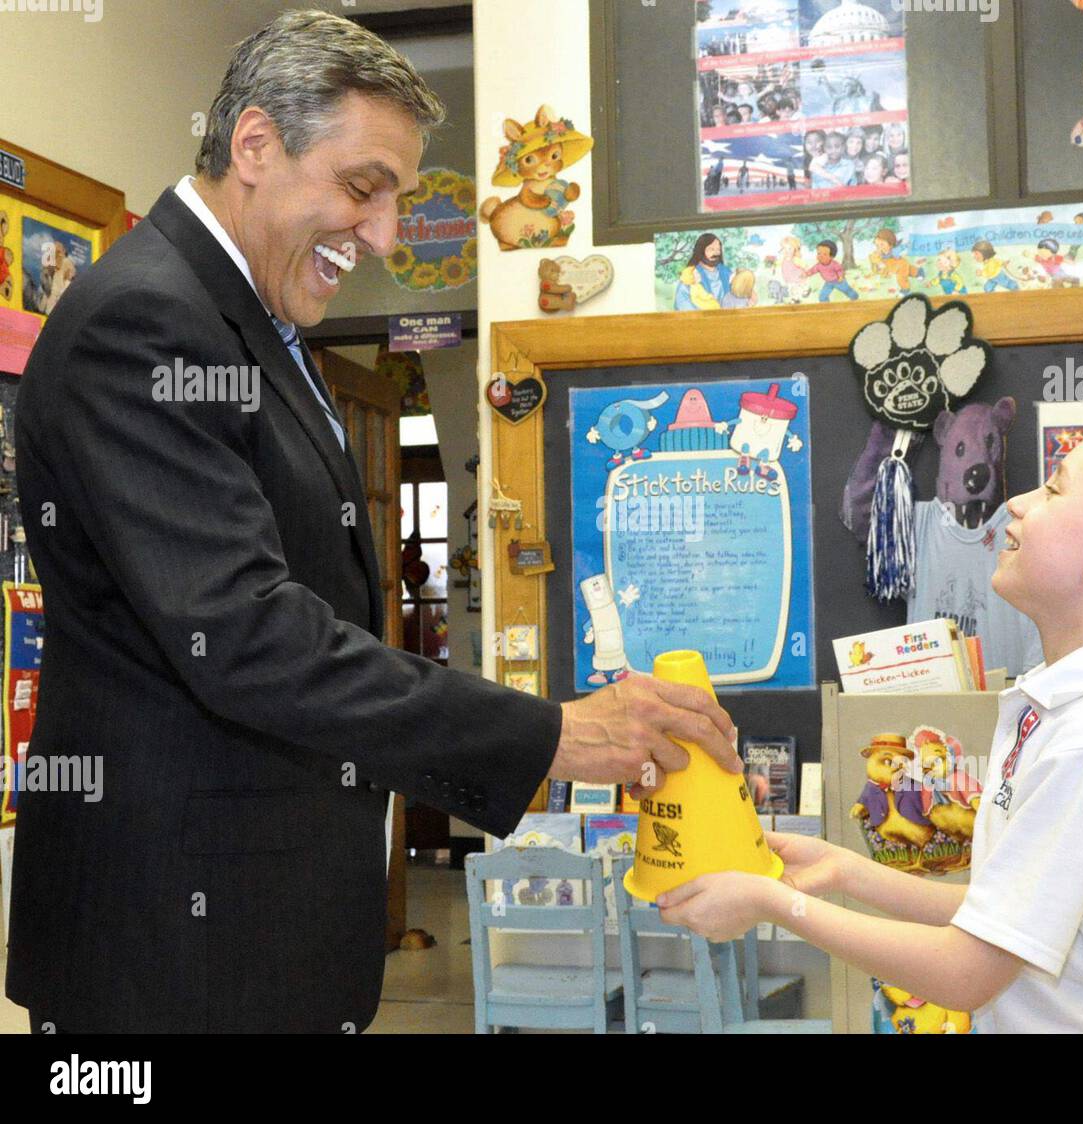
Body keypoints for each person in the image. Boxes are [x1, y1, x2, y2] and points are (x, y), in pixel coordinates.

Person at [8, 9, 742, 1035]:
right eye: (363, 188)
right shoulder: (148, 319)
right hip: (172, 952)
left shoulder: (250, 319)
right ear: (255, 144)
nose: (386, 235)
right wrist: (551, 733)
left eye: (396, 198)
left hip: (253, 934)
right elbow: (249, 634)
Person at [660, 417, 1083, 1033]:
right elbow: (1001, 918)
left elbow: (968, 970)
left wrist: (774, 903)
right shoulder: (1077, 709)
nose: (1015, 502)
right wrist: (845, 871)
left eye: (1055, 489)